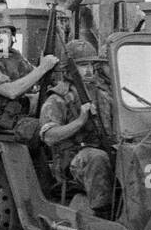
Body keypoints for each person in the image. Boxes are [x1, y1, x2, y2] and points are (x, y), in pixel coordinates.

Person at [38, 39, 113, 216]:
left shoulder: (102, 94)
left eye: (91, 64)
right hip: (70, 159)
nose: (89, 70)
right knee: (97, 158)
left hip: (103, 149)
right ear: (69, 70)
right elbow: (48, 136)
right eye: (82, 65)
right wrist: (79, 121)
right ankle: (102, 213)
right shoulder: (58, 98)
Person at [0, 18, 58, 129]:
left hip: (22, 109)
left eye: (5, 32)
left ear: (12, 37)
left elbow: (34, 78)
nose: (2, 37)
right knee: (49, 130)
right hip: (2, 119)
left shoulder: (14, 55)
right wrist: (42, 68)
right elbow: (11, 91)